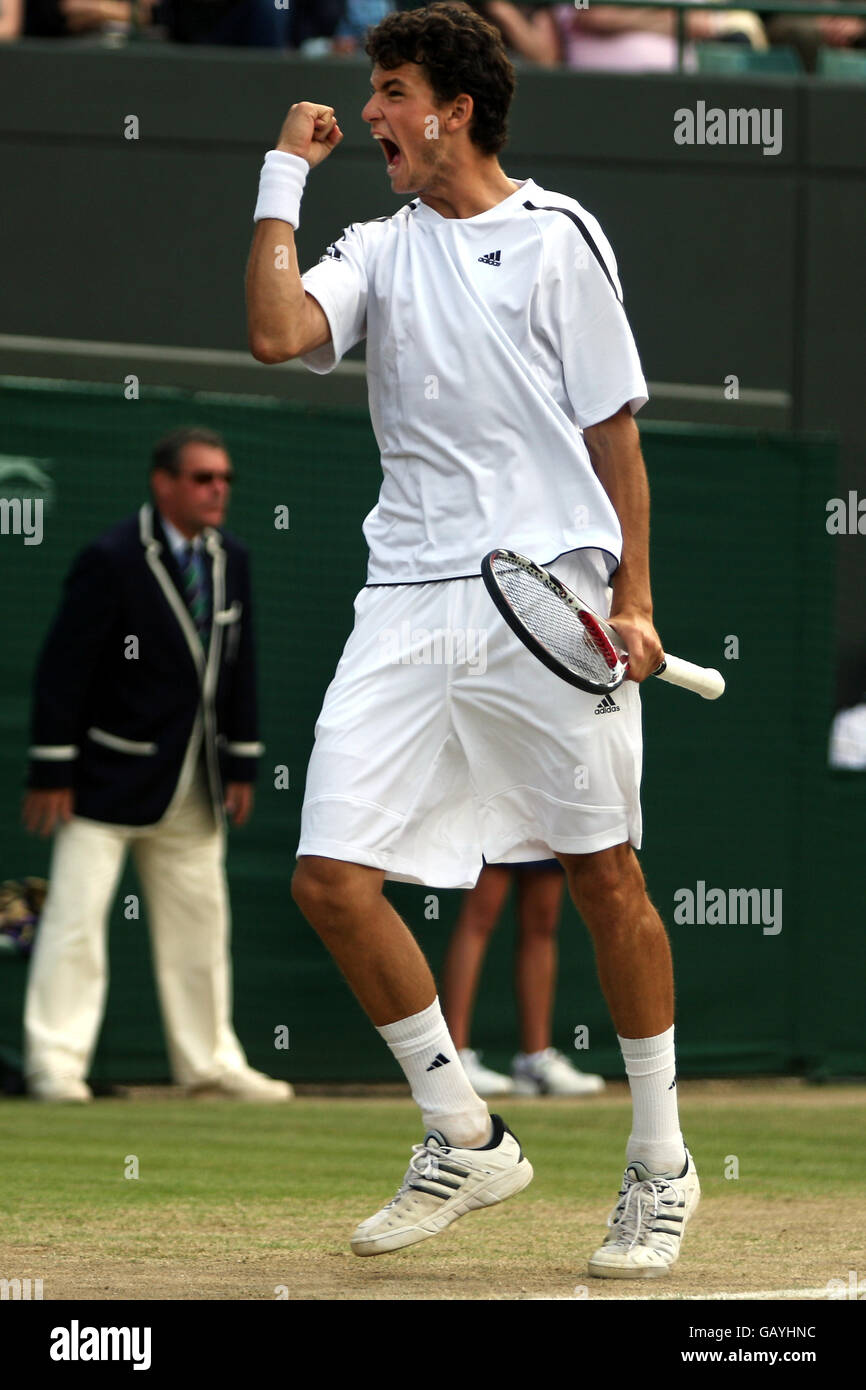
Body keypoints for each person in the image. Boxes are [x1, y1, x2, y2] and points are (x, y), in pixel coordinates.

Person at [247, 0, 698, 1277]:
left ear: (450, 106)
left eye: (388, 91)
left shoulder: (559, 239)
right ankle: (463, 1132)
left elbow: (616, 437)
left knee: (603, 875)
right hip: (404, 600)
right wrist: (283, 174)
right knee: (331, 880)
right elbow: (276, 333)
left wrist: (635, 596)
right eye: (371, 90)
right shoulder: (376, 247)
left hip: (549, 593)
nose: (370, 112)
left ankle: (658, 1161)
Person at [22, 426, 292, 1104]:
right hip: (106, 779)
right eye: (203, 478)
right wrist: (52, 769)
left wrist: (242, 763)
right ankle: (55, 1063)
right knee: (74, 925)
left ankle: (208, 1064)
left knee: (202, 928)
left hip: (194, 783)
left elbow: (240, 669)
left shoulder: (234, 559)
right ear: (163, 482)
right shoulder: (111, 558)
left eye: (225, 479)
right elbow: (63, 668)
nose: (217, 490)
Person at [441, 859, 606, 1096]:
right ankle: (452, 1060)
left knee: (543, 921)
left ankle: (535, 1062)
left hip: (546, 823)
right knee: (480, 914)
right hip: (494, 822)